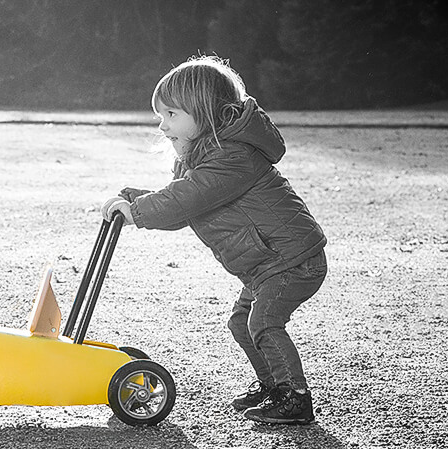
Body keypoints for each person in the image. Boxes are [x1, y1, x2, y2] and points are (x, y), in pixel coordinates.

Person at [100, 55, 327, 424]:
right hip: (265, 263)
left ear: (203, 112)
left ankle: (295, 399)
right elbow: (185, 207)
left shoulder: (232, 156)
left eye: (171, 114)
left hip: (291, 259)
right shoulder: (203, 160)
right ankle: (273, 386)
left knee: (264, 321)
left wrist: (138, 211)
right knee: (242, 322)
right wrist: (135, 201)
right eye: (161, 115)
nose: (162, 125)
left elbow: (188, 197)